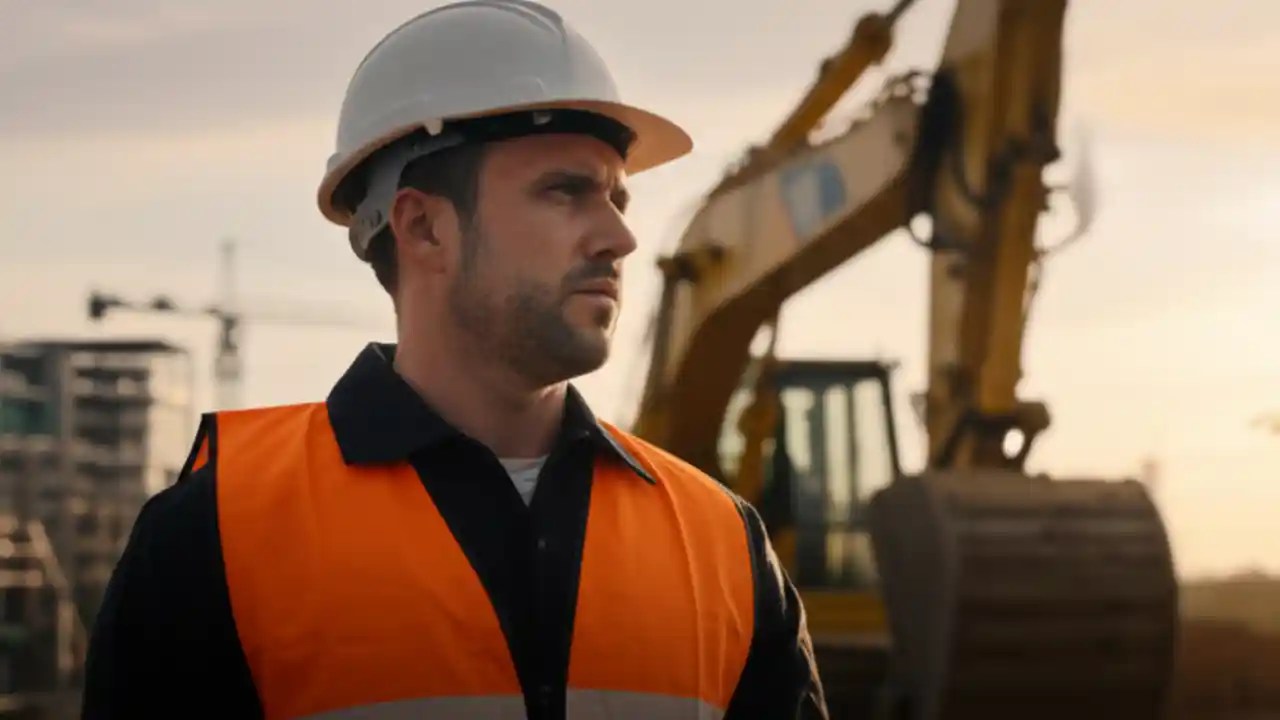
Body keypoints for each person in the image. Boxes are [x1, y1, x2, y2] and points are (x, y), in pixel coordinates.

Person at [81, 1, 828, 718]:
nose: (618, 238)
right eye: (565, 191)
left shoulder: (725, 544)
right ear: (424, 228)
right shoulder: (216, 536)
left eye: (617, 199)